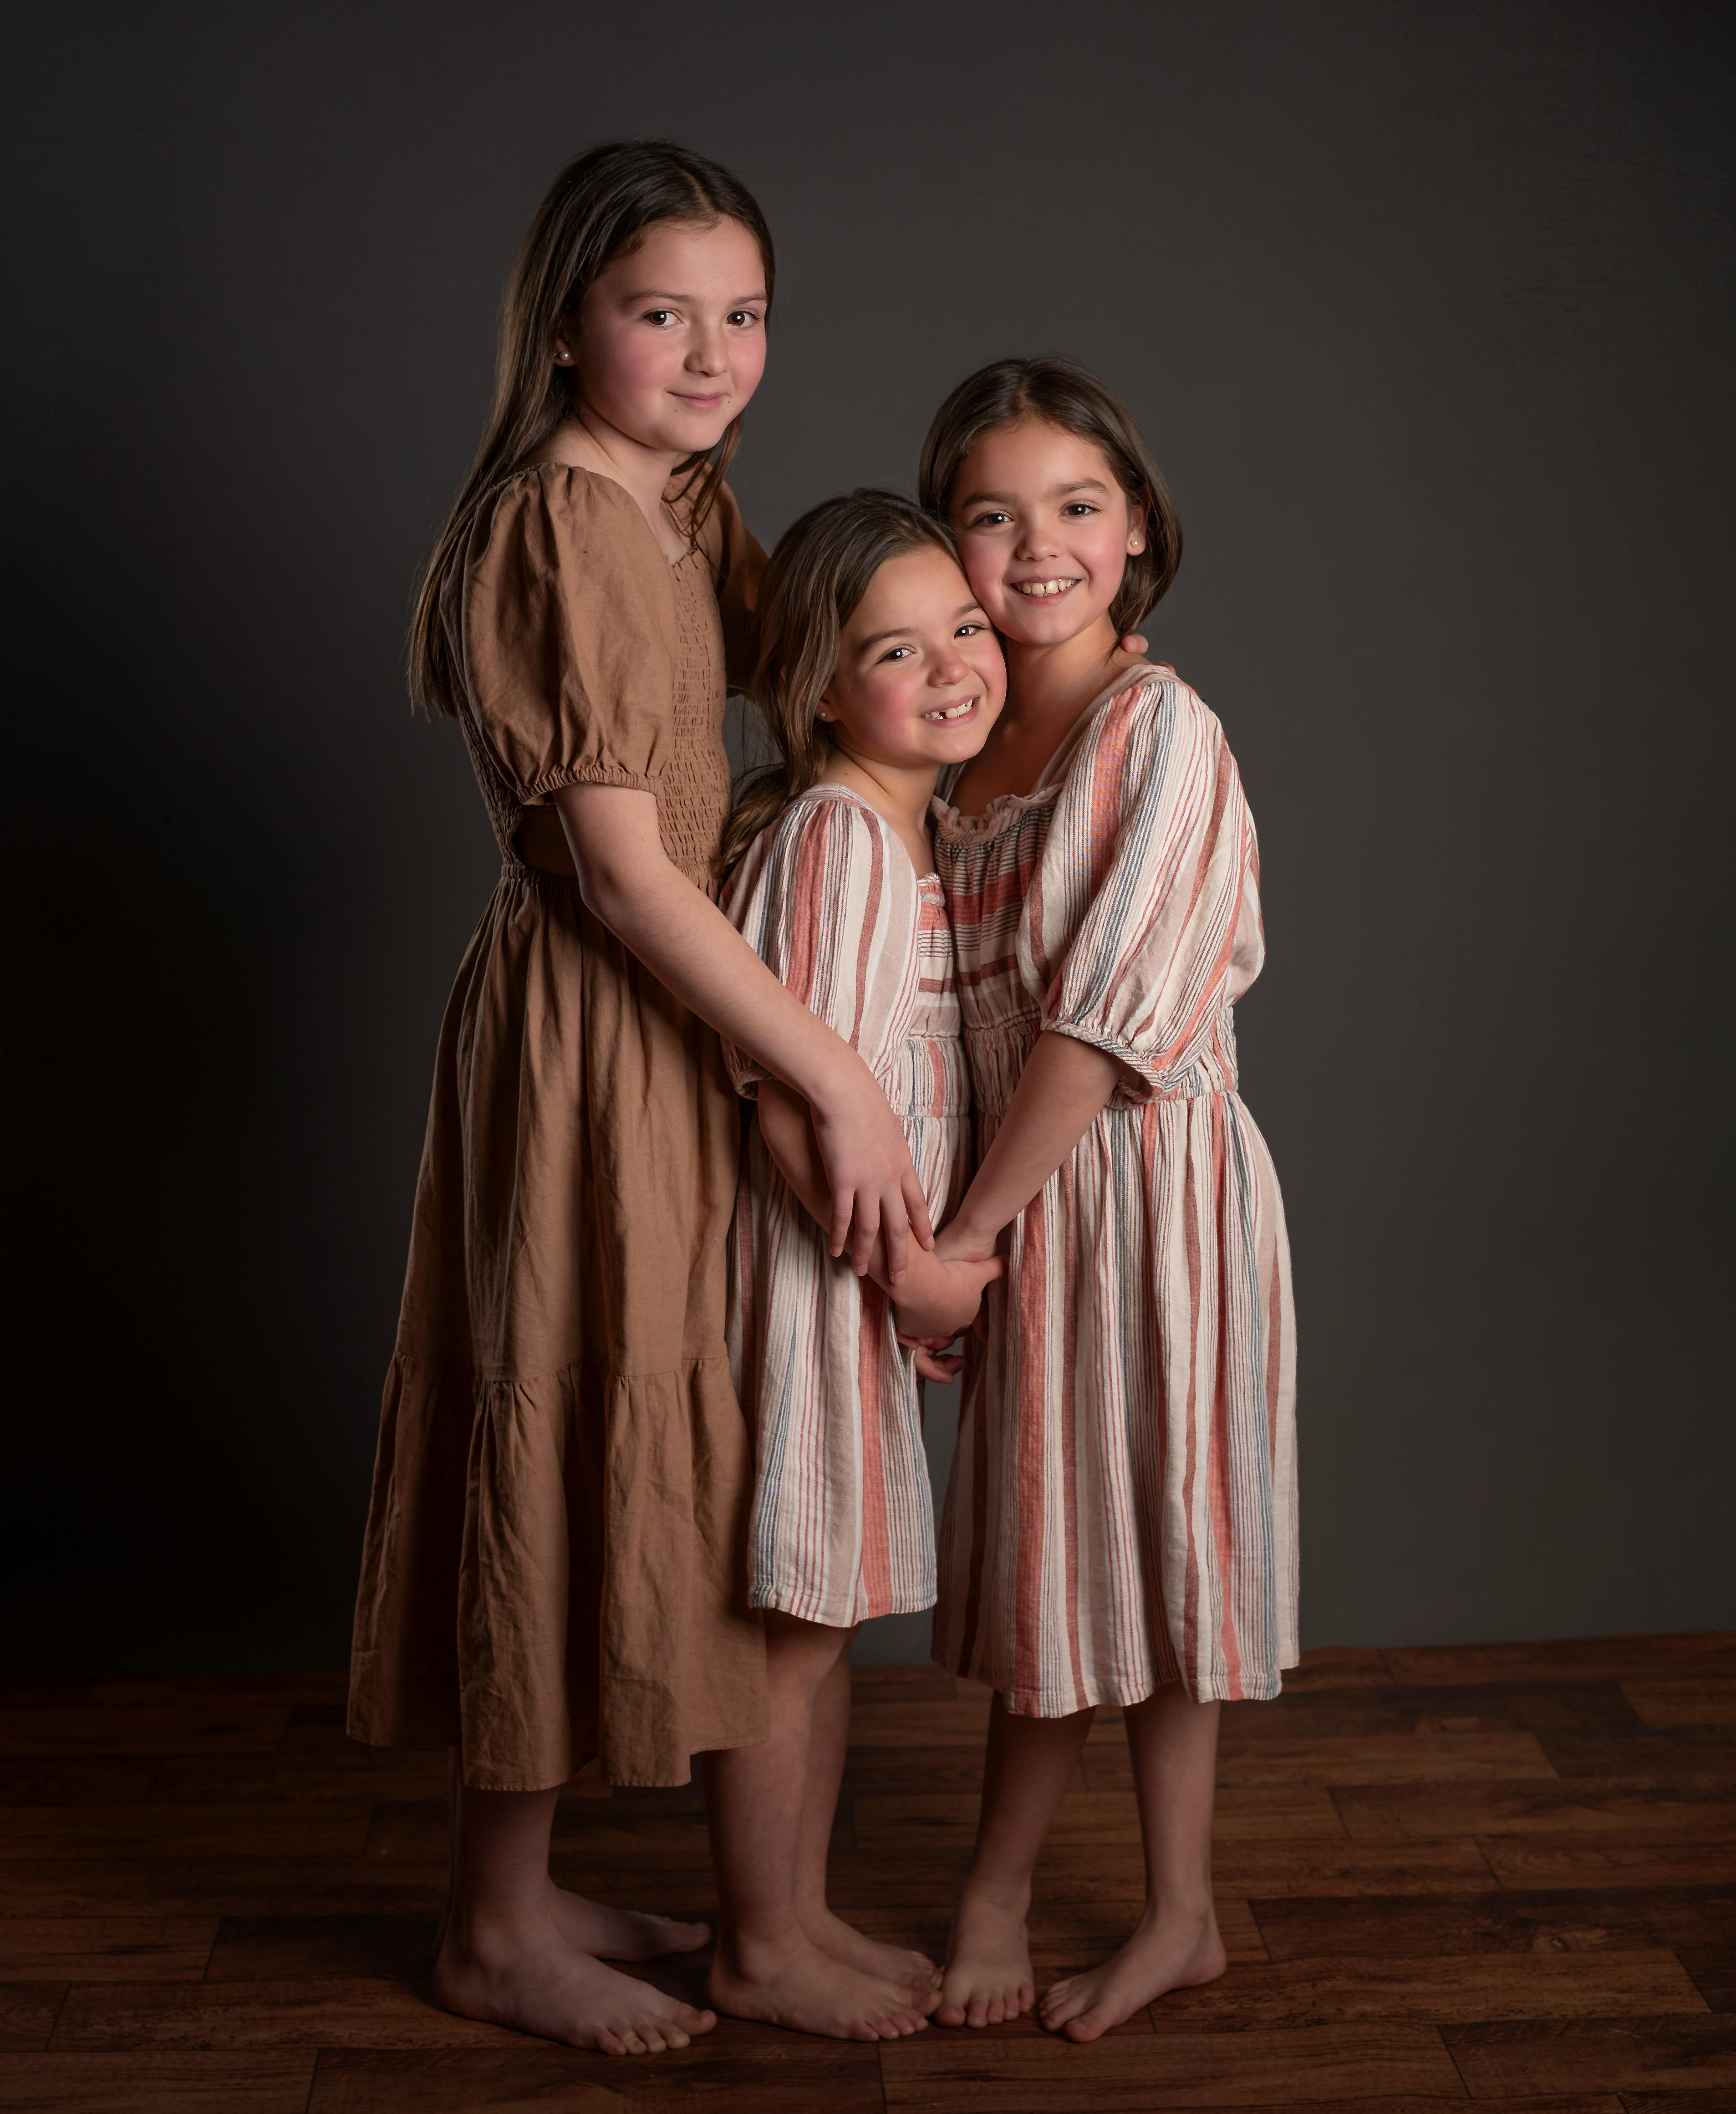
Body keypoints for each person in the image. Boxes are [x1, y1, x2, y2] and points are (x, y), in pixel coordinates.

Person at [346, 141, 933, 2059]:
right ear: (568, 324)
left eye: (742, 314)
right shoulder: (567, 518)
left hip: (676, 1031)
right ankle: (490, 1931)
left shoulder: (684, 508)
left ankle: (521, 1888)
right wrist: (833, 1073)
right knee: (562, 1419)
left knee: (643, 1441)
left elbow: (833, 686)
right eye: (658, 312)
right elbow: (615, 870)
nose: (708, 351)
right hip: (601, 1036)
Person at [917, 359, 1299, 2040]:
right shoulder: (959, 748)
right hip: (1020, 1202)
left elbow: (1097, 1029)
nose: (1037, 545)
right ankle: (1014, 1890)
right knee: (1048, 1570)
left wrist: (964, 1238)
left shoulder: (1163, 727)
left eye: (1074, 504)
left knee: (1156, 1553)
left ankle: (1170, 1908)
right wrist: (953, 1222)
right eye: (990, 515)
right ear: (948, 543)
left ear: (1135, 528)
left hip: (1147, 1190)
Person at [707, 491, 1004, 2037]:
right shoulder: (837, 837)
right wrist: (907, 1283)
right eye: (902, 648)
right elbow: (784, 1096)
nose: (955, 663)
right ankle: (757, 1943)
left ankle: (796, 1911)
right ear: (823, 685)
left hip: (855, 1296)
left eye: (966, 625)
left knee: (817, 1633)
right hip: (807, 1293)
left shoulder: (902, 829)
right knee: (789, 1635)